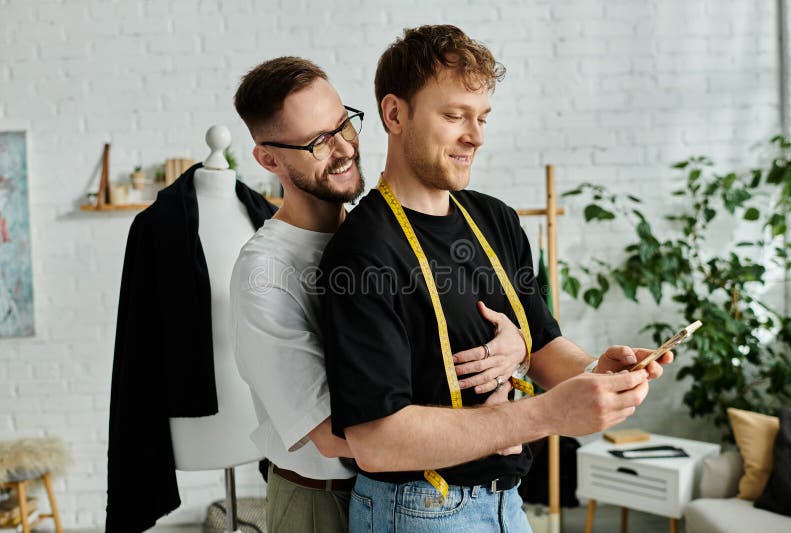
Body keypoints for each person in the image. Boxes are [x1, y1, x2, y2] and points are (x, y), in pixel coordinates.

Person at [318, 25, 674, 532]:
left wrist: (597, 372)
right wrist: (548, 414)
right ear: (394, 114)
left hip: (506, 503)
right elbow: (376, 442)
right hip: (419, 511)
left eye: (481, 117)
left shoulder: (496, 220)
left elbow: (544, 343)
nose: (476, 136)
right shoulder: (363, 252)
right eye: (453, 115)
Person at [229, 57, 529, 533]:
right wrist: (492, 428)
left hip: (409, 490)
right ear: (269, 159)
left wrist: (516, 348)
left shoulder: (380, 235)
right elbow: (335, 436)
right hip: (319, 503)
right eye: (316, 142)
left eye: (343, 125)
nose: (345, 147)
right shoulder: (265, 274)